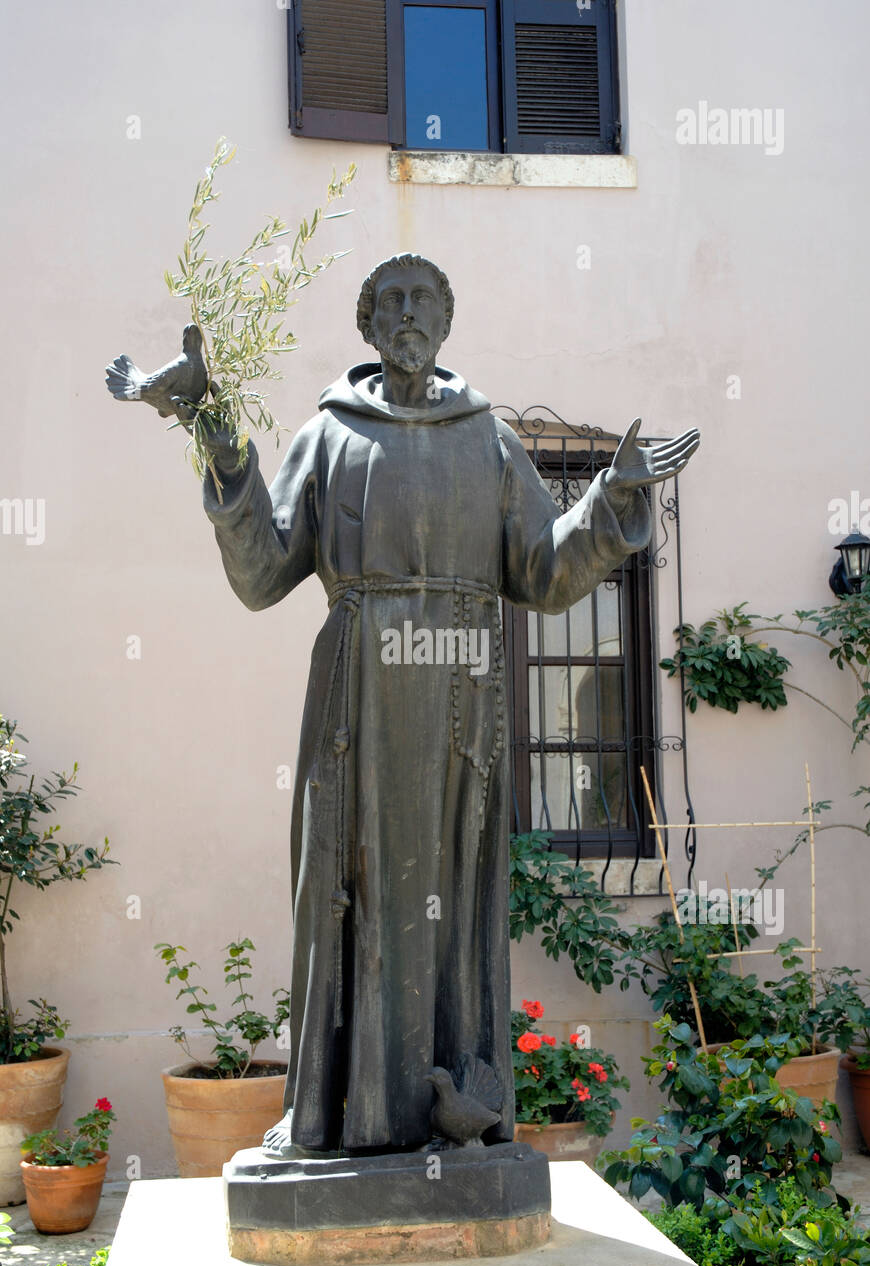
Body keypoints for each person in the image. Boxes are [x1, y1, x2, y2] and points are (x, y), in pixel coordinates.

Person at [140, 253, 700, 1154]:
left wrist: (612, 496)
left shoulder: (488, 438)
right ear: (367, 326)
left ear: (446, 322)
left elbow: (543, 573)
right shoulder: (329, 434)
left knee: (448, 897)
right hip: (359, 701)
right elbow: (259, 573)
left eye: (424, 301)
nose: (408, 315)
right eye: (390, 302)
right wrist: (213, 431)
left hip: (460, 710)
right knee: (348, 890)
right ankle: (335, 1117)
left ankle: (449, 1110)